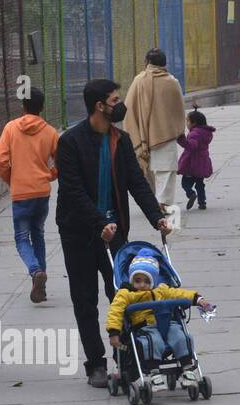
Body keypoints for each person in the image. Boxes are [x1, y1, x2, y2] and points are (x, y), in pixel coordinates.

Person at [56, 79, 171, 387]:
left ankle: (127, 357)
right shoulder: (70, 142)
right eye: (115, 99)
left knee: (123, 293)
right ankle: (95, 363)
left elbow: (136, 182)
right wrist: (98, 222)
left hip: (116, 232)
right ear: (99, 106)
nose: (120, 105)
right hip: (79, 231)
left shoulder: (120, 139)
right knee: (85, 298)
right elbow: (73, 190)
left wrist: (157, 217)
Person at [0, 86, 59, 302]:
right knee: (38, 234)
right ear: (42, 107)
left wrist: (12, 179)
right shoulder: (50, 132)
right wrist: (50, 175)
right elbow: (62, 162)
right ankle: (40, 285)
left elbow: (0, 160)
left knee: (22, 237)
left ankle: (35, 271)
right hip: (41, 191)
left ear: (23, 106)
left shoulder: (11, 128)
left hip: (21, 193)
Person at [106, 254, 214, 382]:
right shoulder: (126, 294)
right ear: (131, 279)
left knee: (181, 337)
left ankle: (187, 368)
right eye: (137, 280)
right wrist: (114, 331)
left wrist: (198, 299)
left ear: (154, 281)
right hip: (145, 327)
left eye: (147, 281)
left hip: (168, 323)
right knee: (153, 341)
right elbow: (115, 311)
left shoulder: (161, 290)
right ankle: (154, 372)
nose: (142, 285)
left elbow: (179, 293)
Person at [124, 48, 186, 214]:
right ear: (164, 63)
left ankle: (152, 204)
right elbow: (179, 109)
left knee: (148, 172)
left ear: (147, 62)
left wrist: (138, 132)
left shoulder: (138, 80)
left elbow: (128, 109)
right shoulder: (172, 81)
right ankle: (163, 204)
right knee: (165, 172)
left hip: (143, 137)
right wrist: (178, 130)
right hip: (166, 135)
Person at [176, 107, 215, 211]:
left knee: (185, 183)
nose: (186, 123)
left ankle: (191, 194)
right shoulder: (206, 132)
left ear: (194, 123)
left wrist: (181, 139)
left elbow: (191, 146)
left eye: (187, 121)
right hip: (202, 163)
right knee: (200, 184)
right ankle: (202, 203)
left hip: (192, 164)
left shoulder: (195, 134)